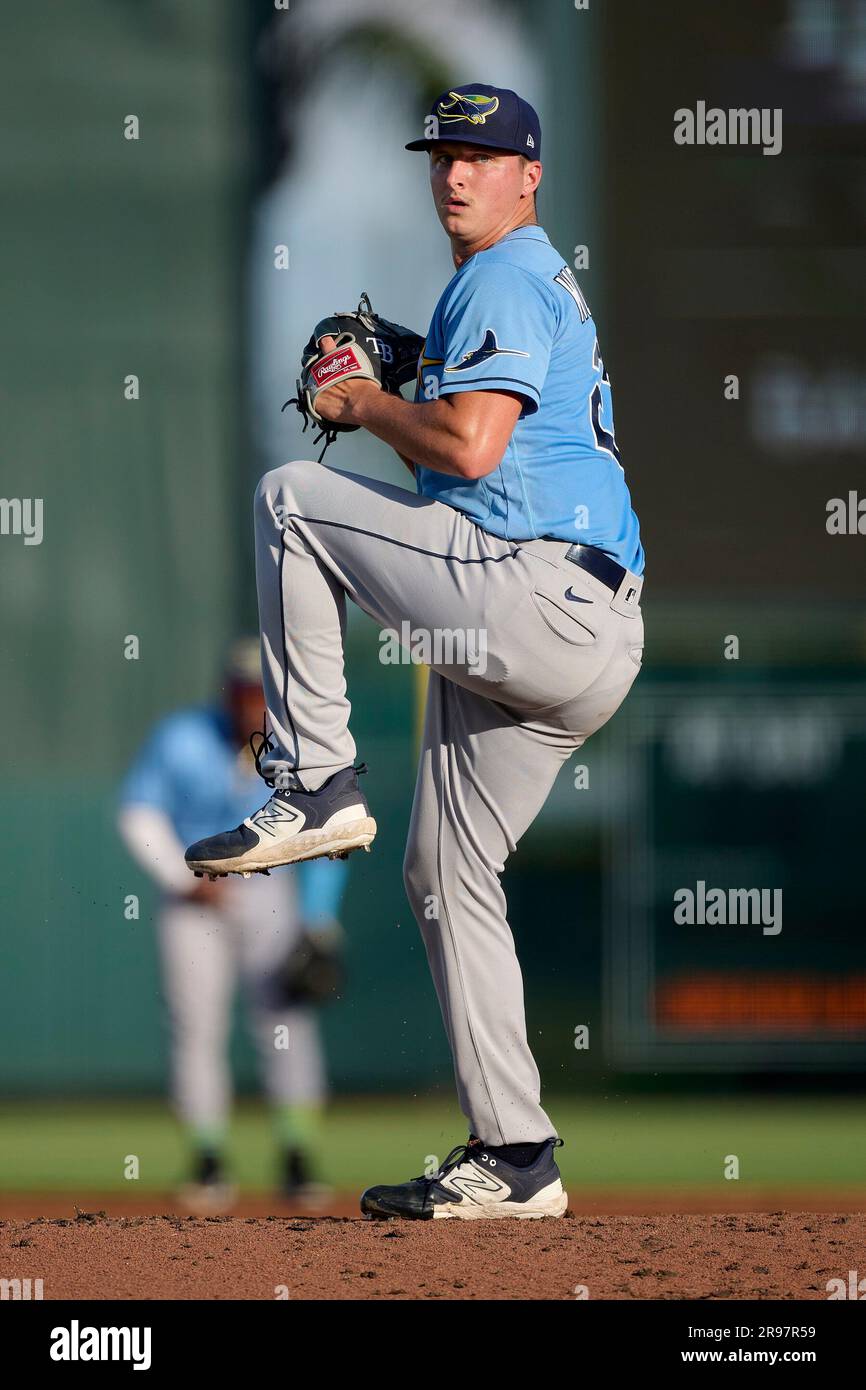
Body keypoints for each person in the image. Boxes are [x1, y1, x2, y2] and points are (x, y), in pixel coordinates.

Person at [185, 84, 645, 1220]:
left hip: (537, 593)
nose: (454, 172)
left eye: (481, 155)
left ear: (528, 175)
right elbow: (472, 443)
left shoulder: (502, 272)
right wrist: (403, 377)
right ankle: (516, 1158)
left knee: (293, 497)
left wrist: (366, 403)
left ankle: (313, 780)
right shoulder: (499, 291)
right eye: (442, 152)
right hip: (580, 630)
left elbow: (471, 451)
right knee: (445, 874)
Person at [118, 637, 348, 1212]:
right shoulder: (184, 735)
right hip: (196, 901)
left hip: (271, 895)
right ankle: (208, 1160)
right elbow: (138, 812)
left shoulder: (297, 746)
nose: (253, 702)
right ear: (231, 690)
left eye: (262, 691)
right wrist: (179, 878)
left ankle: (297, 1160)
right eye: (246, 690)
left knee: (285, 1022)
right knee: (196, 1026)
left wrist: (318, 921)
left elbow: (327, 833)